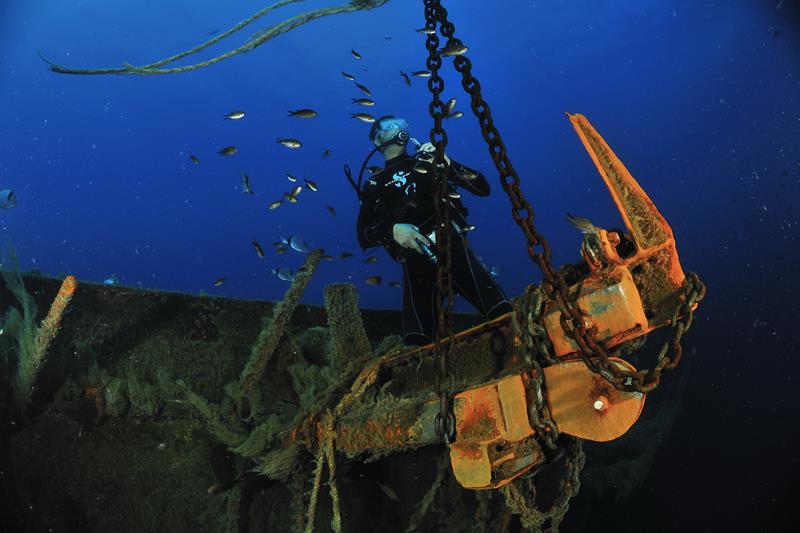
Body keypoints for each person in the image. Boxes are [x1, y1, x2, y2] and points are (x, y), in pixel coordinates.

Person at [356, 115, 512, 346]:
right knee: (417, 340)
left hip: (452, 245)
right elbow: (363, 235)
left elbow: (482, 187)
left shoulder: (427, 159)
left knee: (501, 310)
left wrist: (448, 163)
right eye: (390, 127)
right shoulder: (375, 183)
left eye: (402, 123)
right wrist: (393, 230)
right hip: (415, 259)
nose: (399, 128)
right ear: (378, 140)